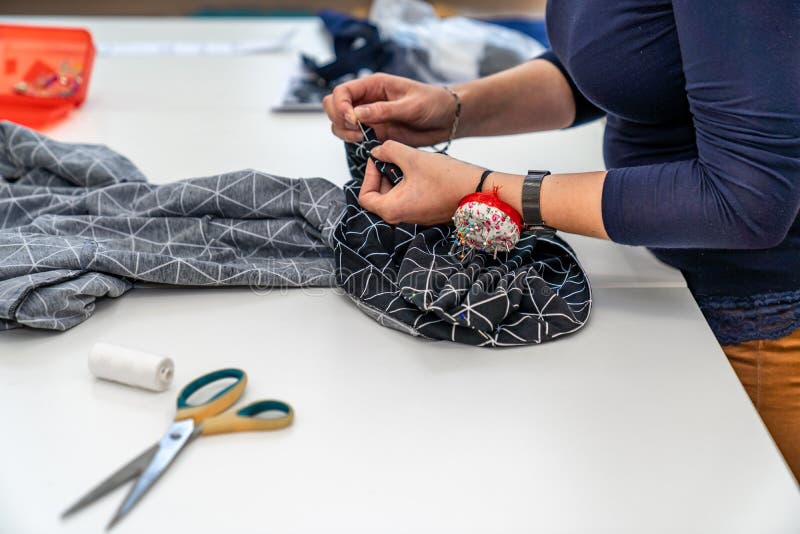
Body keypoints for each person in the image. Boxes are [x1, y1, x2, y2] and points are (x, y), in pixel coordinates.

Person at [323, 2, 800, 479]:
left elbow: (746, 201)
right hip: (670, 277)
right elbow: (624, 63)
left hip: (761, 315)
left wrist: (484, 189)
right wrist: (454, 109)